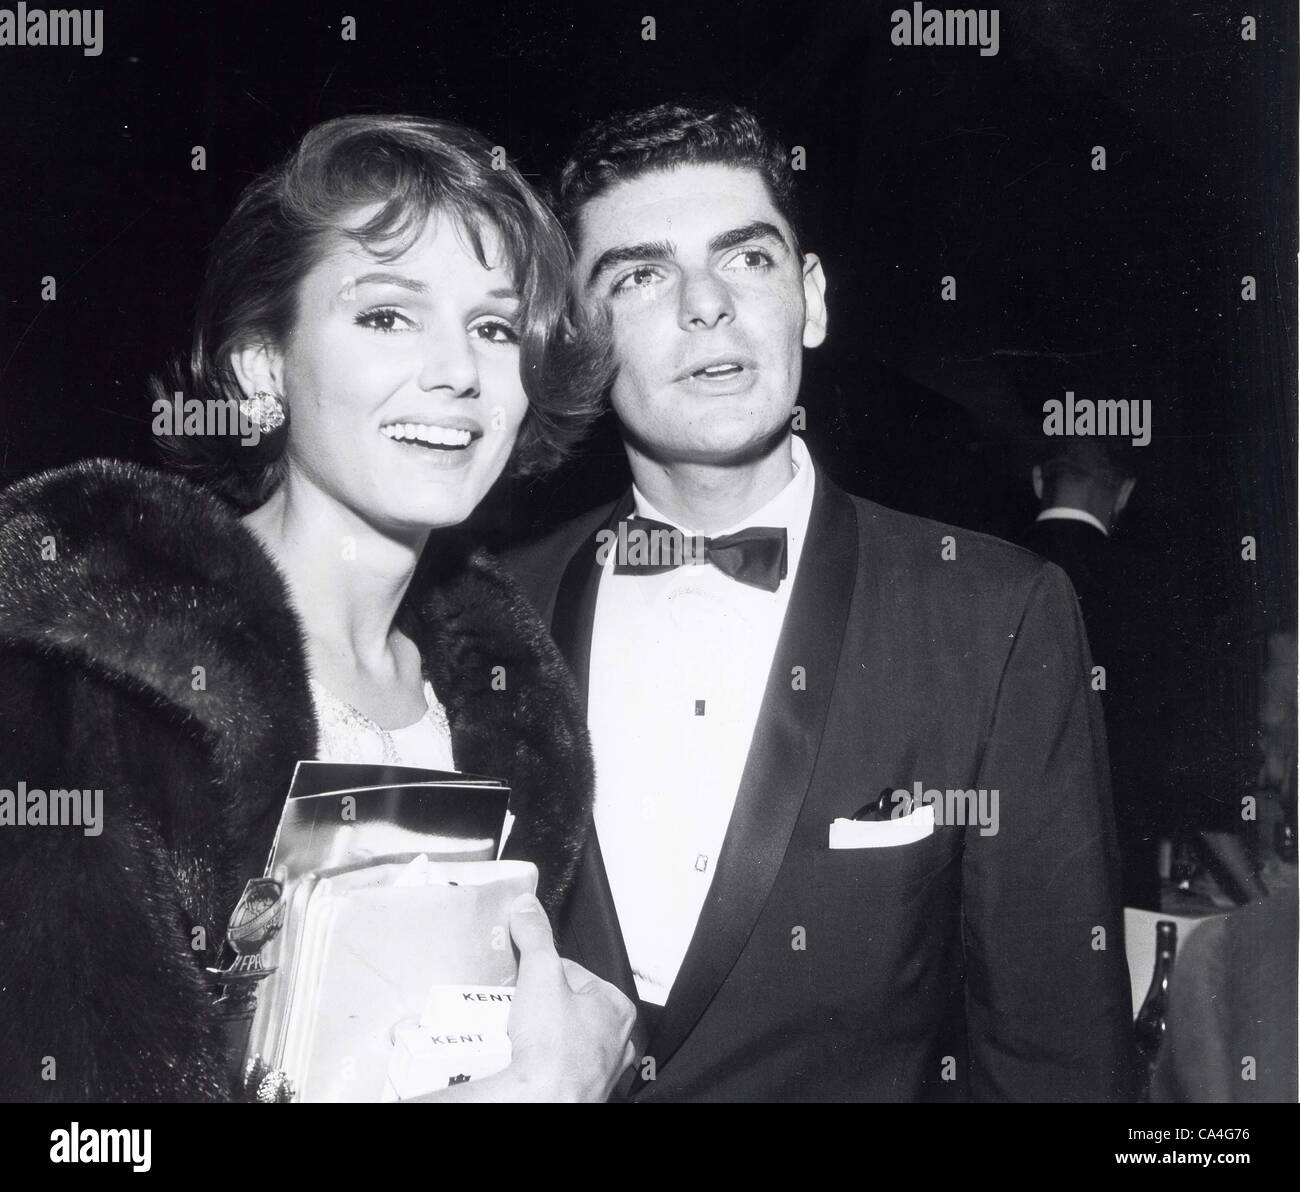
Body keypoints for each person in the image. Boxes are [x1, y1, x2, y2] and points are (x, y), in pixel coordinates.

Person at [504, 103, 1135, 1101]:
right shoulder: (491, 613)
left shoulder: (995, 617)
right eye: (639, 274)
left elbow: (1058, 1064)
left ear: (812, 299)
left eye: (745, 258)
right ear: (579, 340)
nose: (704, 304)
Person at [0, 115, 634, 1102]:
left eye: (495, 327)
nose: (458, 373)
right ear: (261, 371)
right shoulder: (86, 685)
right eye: (387, 315)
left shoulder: (518, 716)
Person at [1020, 441, 1164, 910]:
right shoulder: (1152, 590)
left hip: (1005, 862)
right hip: (1113, 866)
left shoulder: (979, 567)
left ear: (1040, 479)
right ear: (1123, 493)